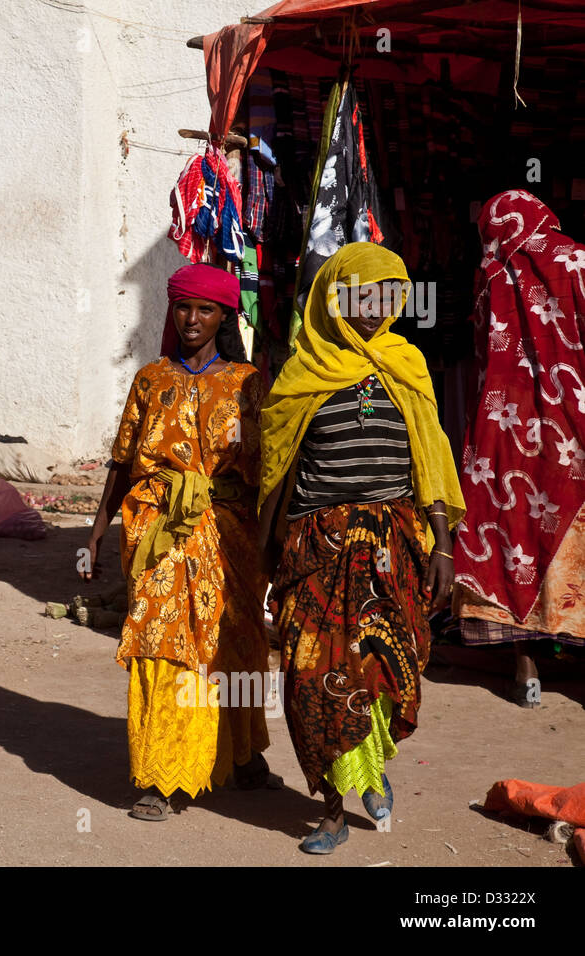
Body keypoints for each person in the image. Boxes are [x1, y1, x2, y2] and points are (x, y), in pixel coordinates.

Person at [258, 242, 464, 854]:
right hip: (314, 545)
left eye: (387, 296)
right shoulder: (301, 372)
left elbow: (430, 460)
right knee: (311, 677)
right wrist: (267, 559)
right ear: (334, 298)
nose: (375, 309)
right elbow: (279, 473)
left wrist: (445, 546)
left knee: (379, 671)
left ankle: (369, 771)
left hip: (391, 547)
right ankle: (332, 809)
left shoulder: (409, 366)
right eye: (361, 295)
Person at [82, 263, 275, 822]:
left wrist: (272, 545)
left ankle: (238, 754)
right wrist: (95, 535)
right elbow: (122, 462)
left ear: (225, 316)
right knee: (164, 643)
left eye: (205, 309)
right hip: (159, 528)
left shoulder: (247, 383)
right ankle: (166, 775)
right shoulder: (150, 379)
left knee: (232, 644)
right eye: (183, 307)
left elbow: (265, 472)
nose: (192, 319)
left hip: (227, 530)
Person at [454, 190, 585, 705]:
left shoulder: (489, 272)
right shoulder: (576, 259)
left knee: (513, 533)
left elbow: (485, 353)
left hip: (504, 426)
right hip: (572, 418)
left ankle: (525, 669)